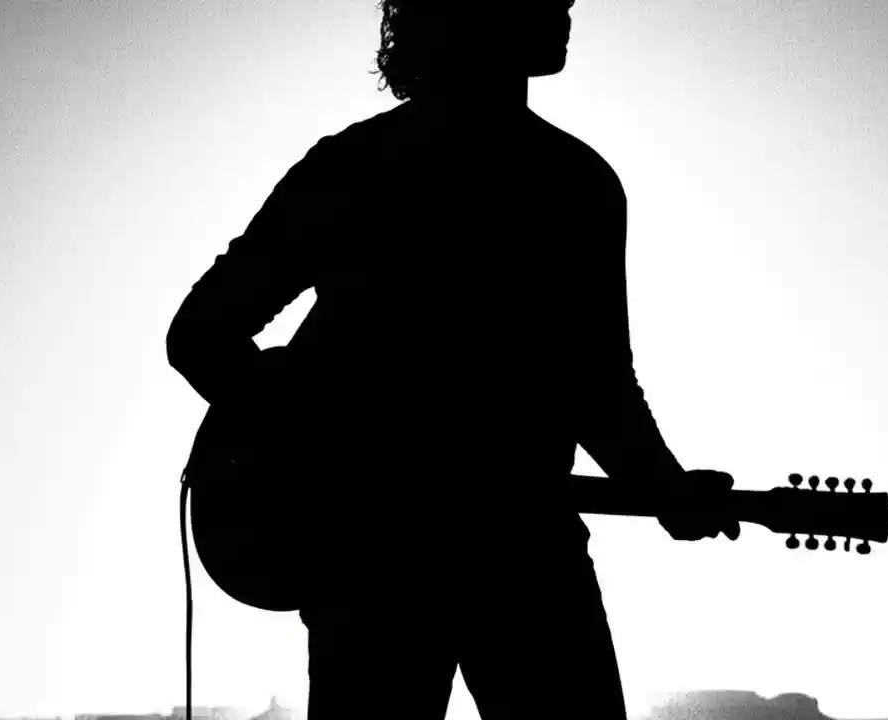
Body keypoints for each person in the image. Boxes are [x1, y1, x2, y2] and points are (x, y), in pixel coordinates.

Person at [165, 1, 739, 717]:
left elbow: (596, 387)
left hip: (486, 553)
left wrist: (666, 489)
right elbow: (200, 334)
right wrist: (312, 440)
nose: (565, 2)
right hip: (409, 561)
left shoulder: (569, 183)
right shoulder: (560, 181)